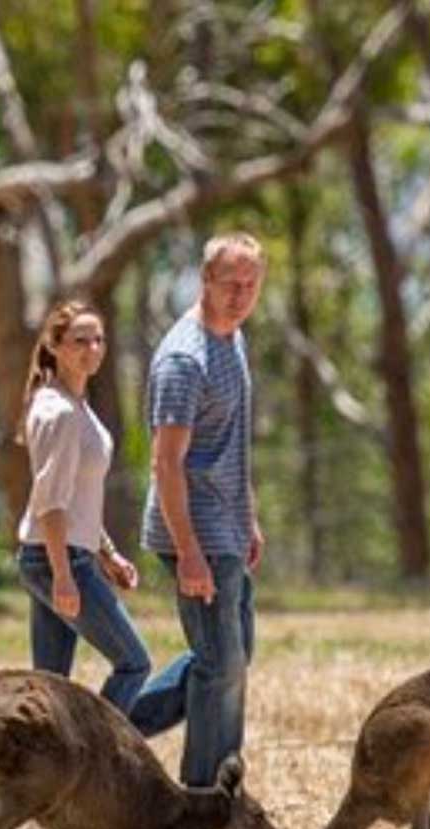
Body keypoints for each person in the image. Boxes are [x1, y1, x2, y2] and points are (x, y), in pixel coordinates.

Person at [126, 233, 266, 786]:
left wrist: (248, 515)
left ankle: (106, 732)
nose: (240, 295)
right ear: (204, 280)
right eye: (230, 283)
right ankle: (208, 793)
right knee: (221, 664)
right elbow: (166, 466)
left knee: (228, 657)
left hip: (226, 526)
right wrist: (188, 554)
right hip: (193, 529)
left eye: (251, 284)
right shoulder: (183, 360)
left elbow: (231, 441)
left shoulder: (232, 338)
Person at [14, 299, 151, 711]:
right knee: (133, 663)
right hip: (59, 559)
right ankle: (95, 756)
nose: (92, 349)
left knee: (50, 689)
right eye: (79, 341)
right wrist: (63, 575)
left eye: (99, 340)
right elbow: (50, 503)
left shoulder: (74, 405)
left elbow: (77, 498)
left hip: (62, 554)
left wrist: (106, 553)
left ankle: (40, 770)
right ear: (54, 346)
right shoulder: (60, 413)